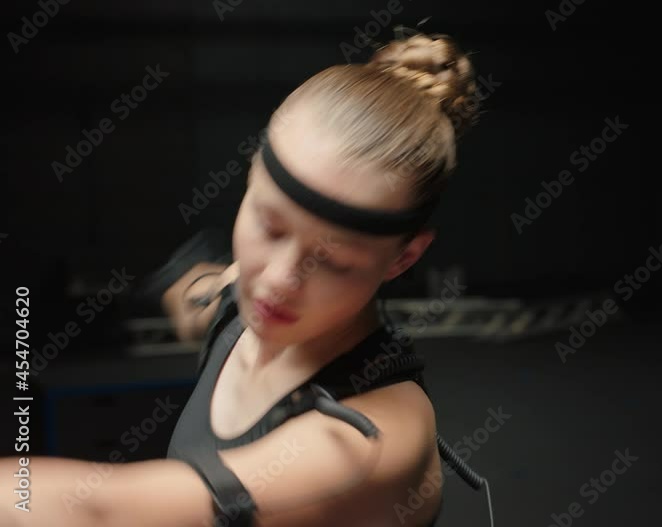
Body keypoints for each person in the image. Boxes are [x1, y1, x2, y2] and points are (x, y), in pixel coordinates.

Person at [3, 30, 482, 527]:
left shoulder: (378, 437)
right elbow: (205, 294)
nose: (277, 280)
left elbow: (98, 514)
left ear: (402, 259)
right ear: (249, 180)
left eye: (335, 261)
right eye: (270, 226)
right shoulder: (240, 298)